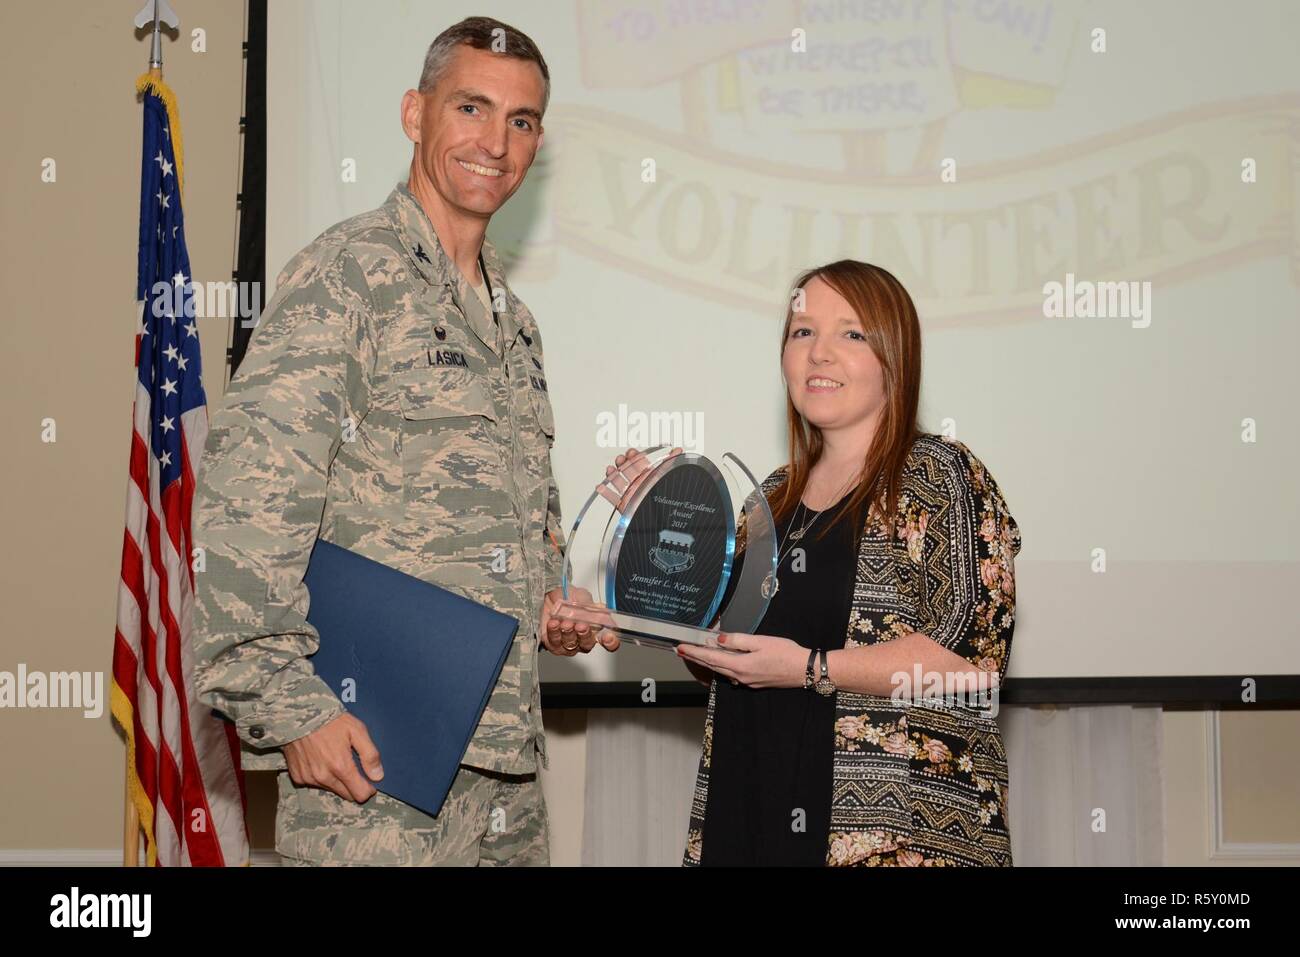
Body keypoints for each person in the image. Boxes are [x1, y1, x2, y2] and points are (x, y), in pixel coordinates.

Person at [191, 16, 610, 867]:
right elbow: (248, 505)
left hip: (503, 767)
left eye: (522, 121)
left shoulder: (514, 324)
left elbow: (495, 534)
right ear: (415, 113)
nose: (496, 142)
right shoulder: (346, 277)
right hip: (375, 767)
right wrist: (291, 706)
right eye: (472, 107)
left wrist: (545, 611)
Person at [675, 260, 1022, 866]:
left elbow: (972, 667)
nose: (820, 354)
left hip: (892, 836)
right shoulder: (770, 499)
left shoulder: (939, 476)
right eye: (803, 332)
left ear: (895, 357)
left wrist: (810, 668)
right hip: (751, 812)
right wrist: (646, 545)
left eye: (852, 334)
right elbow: (730, 655)